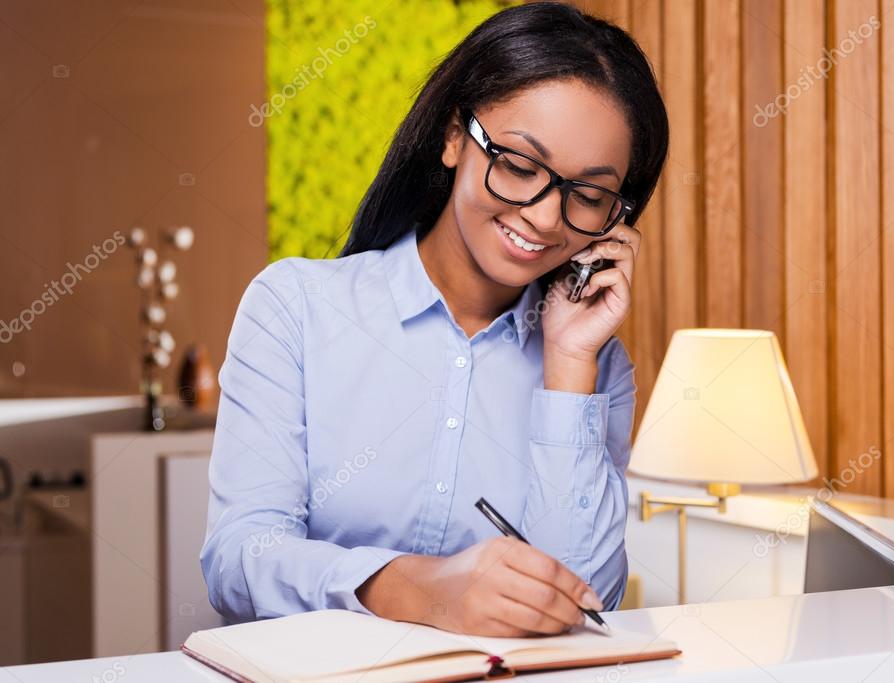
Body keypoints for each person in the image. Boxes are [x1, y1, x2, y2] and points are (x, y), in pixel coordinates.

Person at [200, 1, 669, 638]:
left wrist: (566, 362)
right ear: (455, 137)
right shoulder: (296, 308)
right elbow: (238, 558)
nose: (544, 217)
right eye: (520, 166)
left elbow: (584, 605)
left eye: (587, 196)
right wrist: (422, 589)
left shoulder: (595, 368)